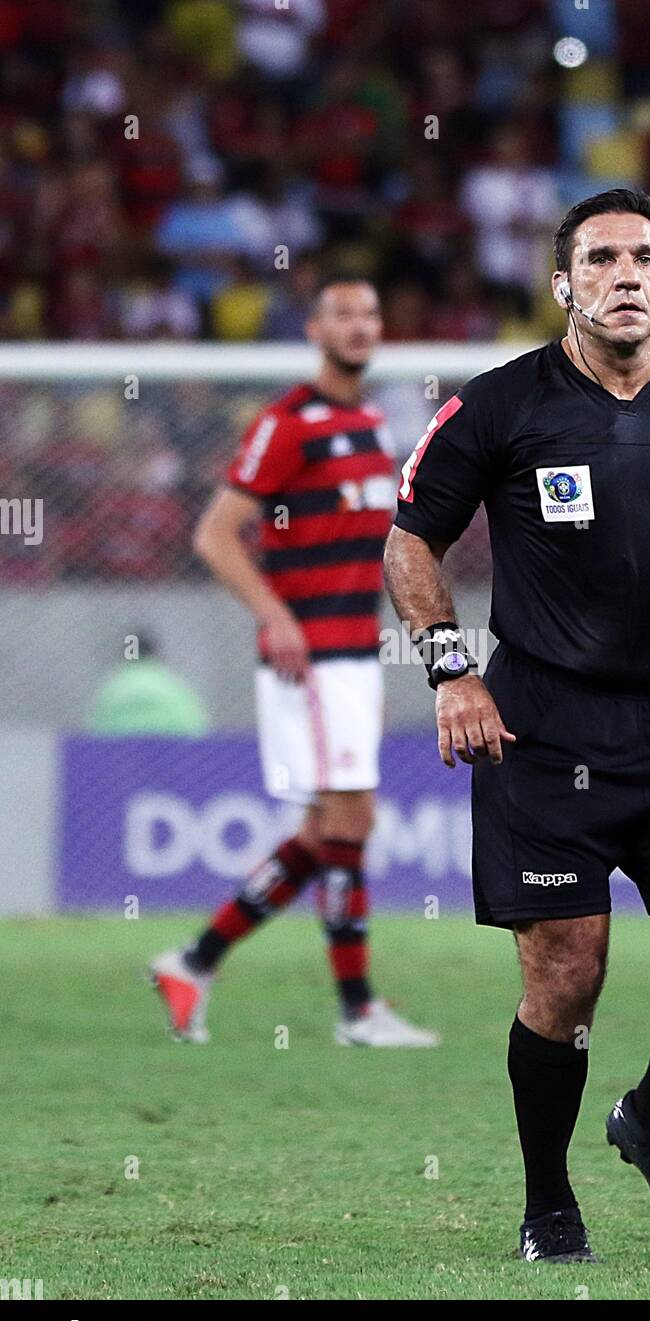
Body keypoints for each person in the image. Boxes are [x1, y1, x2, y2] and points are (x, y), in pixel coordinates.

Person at [383, 188, 650, 1262]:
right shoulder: (498, 404)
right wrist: (448, 672)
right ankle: (546, 1205)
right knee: (564, 979)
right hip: (541, 731)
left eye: (643, 256)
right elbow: (411, 539)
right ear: (562, 282)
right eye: (599, 257)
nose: (623, 273)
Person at [151, 275, 438, 1049]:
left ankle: (193, 962)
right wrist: (274, 614)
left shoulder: (373, 421)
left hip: (354, 651)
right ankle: (356, 1011)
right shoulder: (288, 423)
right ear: (314, 329)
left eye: (370, 311)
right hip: (309, 654)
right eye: (342, 313)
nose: (359, 325)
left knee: (329, 828)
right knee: (347, 819)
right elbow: (215, 534)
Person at [87, 634, 209, 735]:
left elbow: (92, 735)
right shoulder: (173, 686)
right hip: (171, 758)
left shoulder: (114, 688)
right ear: (154, 653)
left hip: (122, 760)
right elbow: (198, 730)